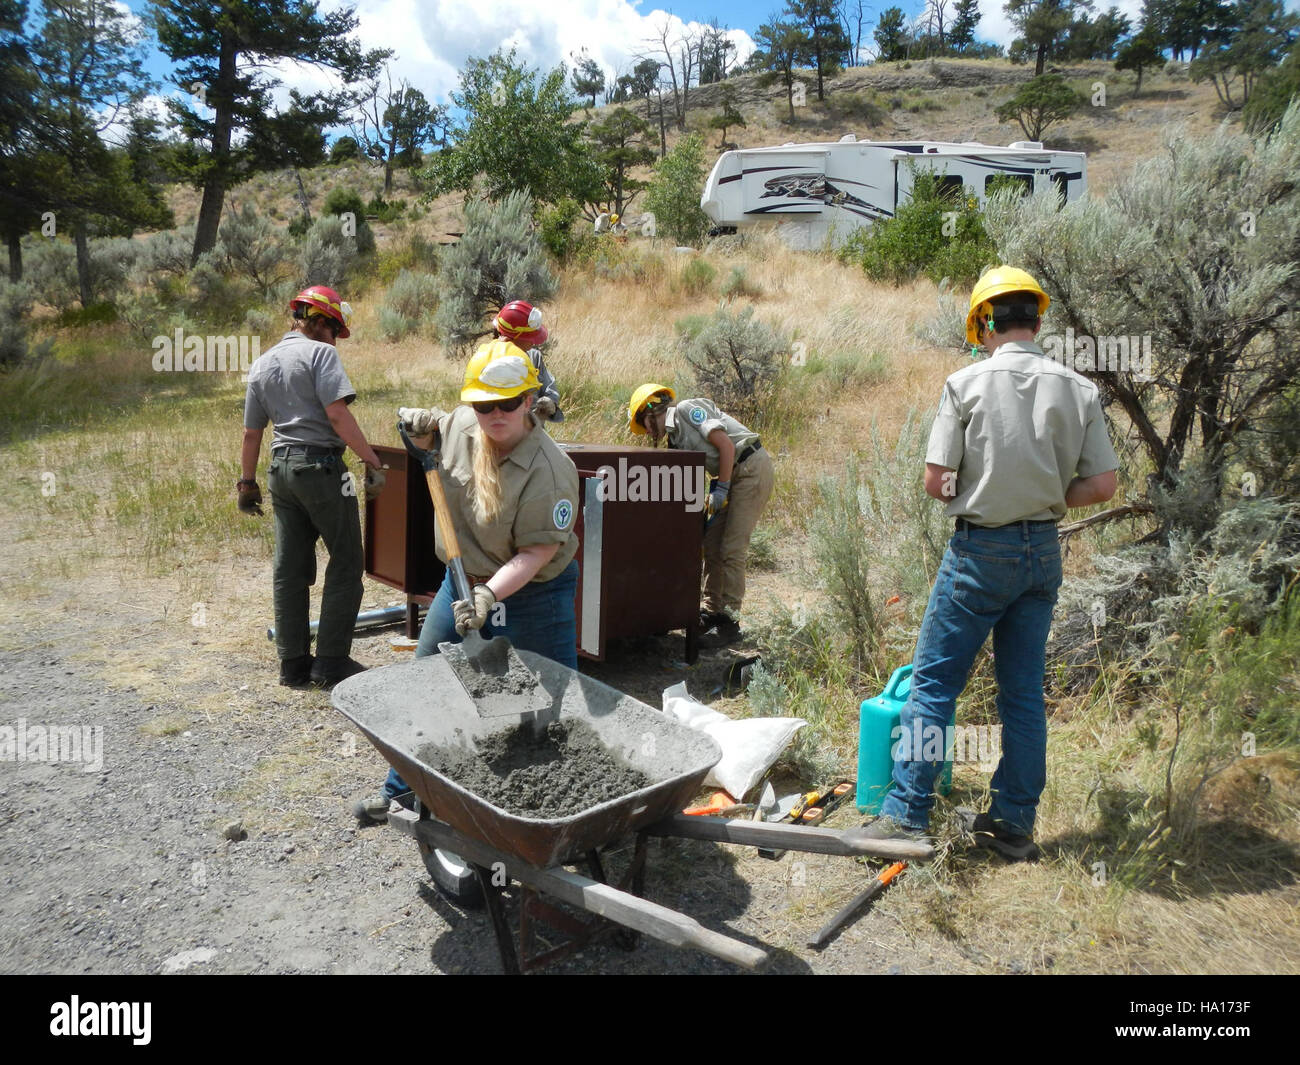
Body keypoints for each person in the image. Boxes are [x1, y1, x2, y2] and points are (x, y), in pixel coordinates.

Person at [870, 266, 1120, 859]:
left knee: (933, 685)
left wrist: (973, 488)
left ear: (985, 321)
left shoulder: (965, 384)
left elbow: (936, 482)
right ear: (1038, 318)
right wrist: (1051, 498)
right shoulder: (1079, 388)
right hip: (1043, 555)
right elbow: (1104, 485)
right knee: (1023, 694)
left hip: (981, 551)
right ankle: (1013, 826)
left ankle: (906, 816)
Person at [353, 338, 581, 823]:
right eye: (482, 405)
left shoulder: (551, 470)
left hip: (535, 592)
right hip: (461, 580)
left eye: (507, 404)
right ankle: (403, 792)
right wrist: (417, 436)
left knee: (547, 707)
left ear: (529, 401)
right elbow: (431, 433)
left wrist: (490, 594)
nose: (494, 414)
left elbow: (538, 552)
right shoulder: (461, 424)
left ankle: (557, 807)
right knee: (428, 684)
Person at [239, 284, 387, 690]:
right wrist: (371, 459)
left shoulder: (262, 363)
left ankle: (293, 664)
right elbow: (337, 416)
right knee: (346, 560)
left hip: (279, 471)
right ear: (319, 321)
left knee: (289, 568)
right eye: (335, 328)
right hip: (321, 468)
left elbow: (253, 434)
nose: (336, 338)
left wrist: (246, 483)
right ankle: (331, 662)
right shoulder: (321, 354)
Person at [627, 384, 774, 648]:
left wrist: (722, 488)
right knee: (712, 546)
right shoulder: (675, 438)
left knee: (732, 548)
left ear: (651, 410)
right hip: (729, 476)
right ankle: (711, 611)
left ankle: (731, 622)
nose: (649, 432)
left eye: (645, 425)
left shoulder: (685, 411)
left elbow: (726, 447)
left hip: (750, 468)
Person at [490, 300, 563, 422]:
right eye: (529, 337)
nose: (533, 341)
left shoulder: (534, 357)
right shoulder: (489, 360)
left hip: (534, 435)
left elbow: (550, 390)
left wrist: (551, 404)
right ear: (512, 338)